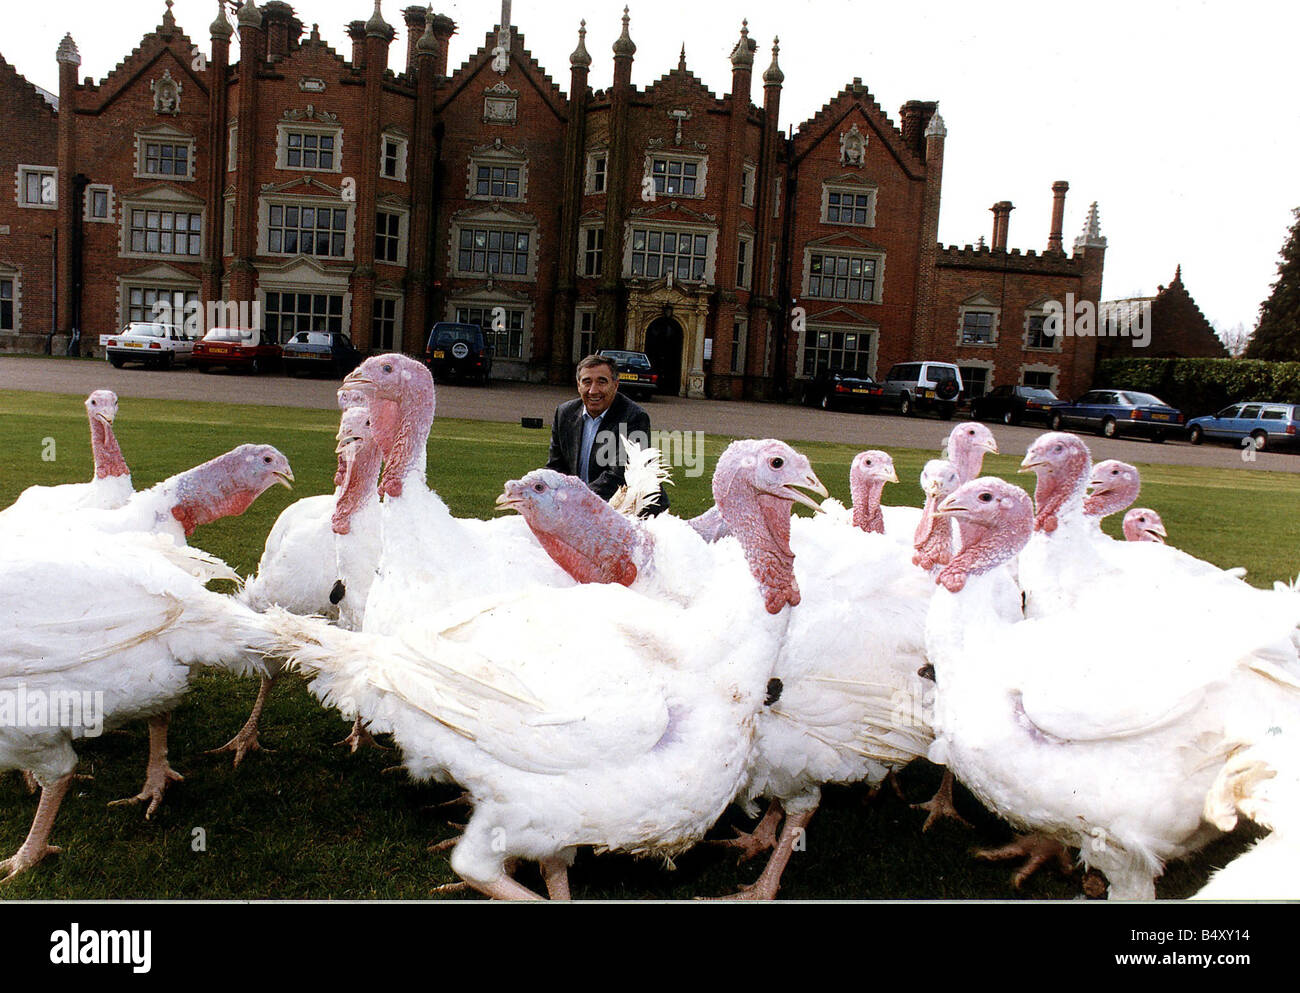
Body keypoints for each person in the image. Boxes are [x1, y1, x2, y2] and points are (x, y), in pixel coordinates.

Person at [546, 354, 669, 516]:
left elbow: (619, 476)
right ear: (578, 385)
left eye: (602, 381)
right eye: (587, 382)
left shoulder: (634, 417)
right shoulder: (564, 413)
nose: (593, 390)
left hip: (630, 511)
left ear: (616, 385)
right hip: (579, 509)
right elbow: (555, 466)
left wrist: (574, 501)